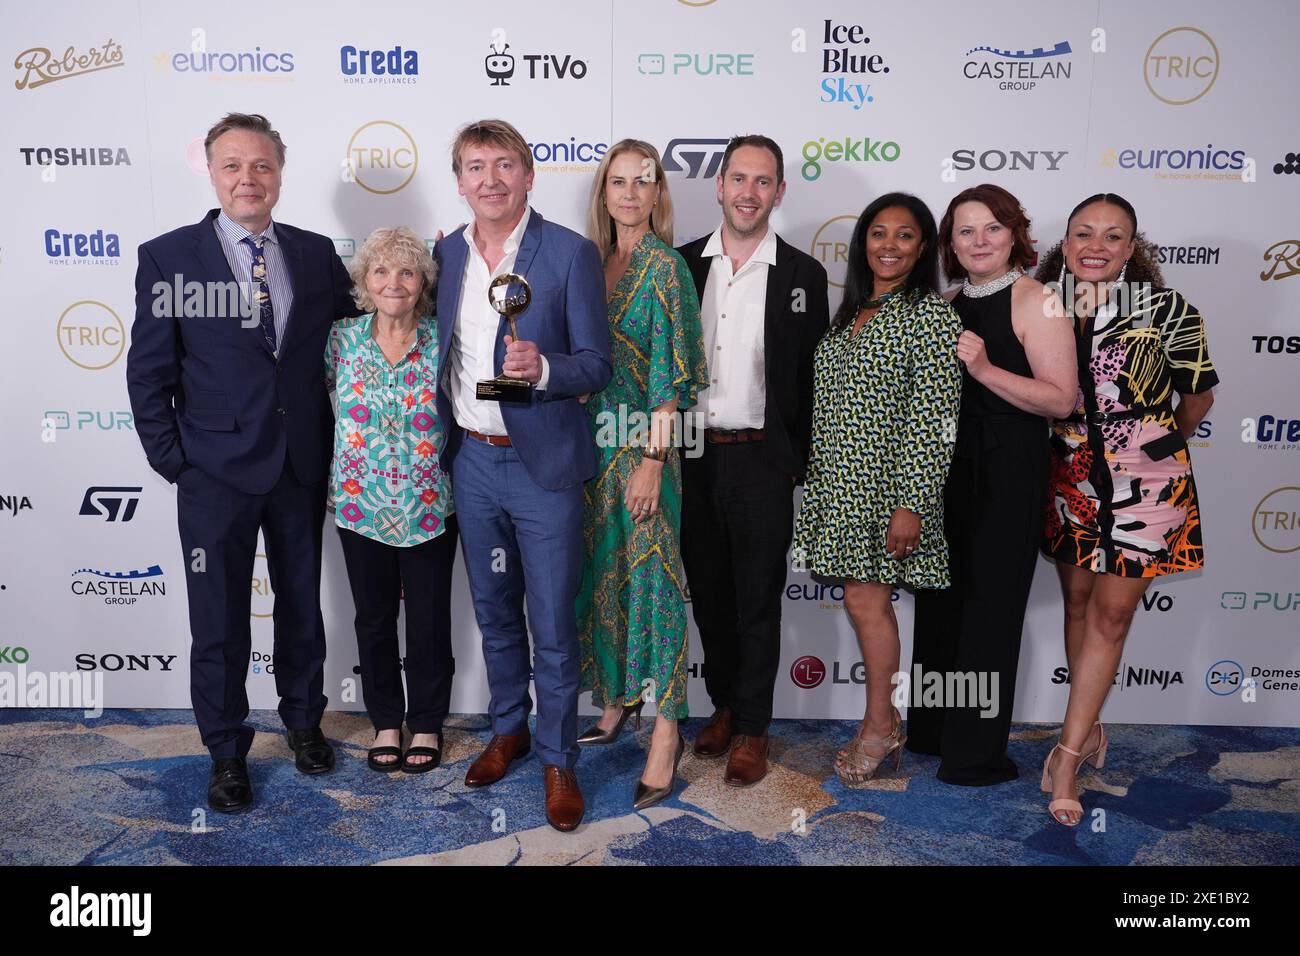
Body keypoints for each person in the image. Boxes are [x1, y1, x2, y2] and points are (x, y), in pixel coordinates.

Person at [126, 112, 358, 812]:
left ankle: (304, 724)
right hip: (214, 476)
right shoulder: (169, 257)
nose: (248, 179)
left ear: (279, 176)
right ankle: (227, 750)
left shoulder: (316, 255)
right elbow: (148, 373)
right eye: (233, 165)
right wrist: (179, 465)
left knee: (302, 611)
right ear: (212, 171)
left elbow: (364, 331)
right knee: (219, 620)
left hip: (297, 467)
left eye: (261, 166)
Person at [433, 119, 611, 832]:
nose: (490, 179)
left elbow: (597, 364)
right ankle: (507, 729)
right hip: (470, 459)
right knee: (494, 613)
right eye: (475, 167)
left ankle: (558, 756)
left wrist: (542, 368)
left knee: (553, 623)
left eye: (504, 165)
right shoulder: (444, 255)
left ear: (529, 176)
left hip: (544, 466)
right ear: (459, 181)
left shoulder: (569, 253)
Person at [1034, 193, 1217, 825]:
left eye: (1114, 237)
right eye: (1084, 233)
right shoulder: (1044, 303)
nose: (1096, 246)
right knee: (1080, 604)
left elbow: (1197, 399)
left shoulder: (1168, 310)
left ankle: (1065, 755)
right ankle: (1091, 728)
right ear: (1065, 241)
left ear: (1132, 248)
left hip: (1150, 485)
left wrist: (1149, 448)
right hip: (1071, 479)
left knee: (1111, 617)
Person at [907, 185, 1077, 786]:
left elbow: (1061, 398)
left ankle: (973, 753)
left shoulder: (1040, 300)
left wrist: (982, 369)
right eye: (965, 231)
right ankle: (930, 734)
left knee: (990, 610)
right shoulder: (947, 302)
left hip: (1007, 470)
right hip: (947, 471)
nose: (978, 241)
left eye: (991, 228)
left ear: (1014, 234)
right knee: (941, 604)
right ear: (949, 243)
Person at [792, 192, 962, 787]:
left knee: (868, 604)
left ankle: (879, 727)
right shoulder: (850, 312)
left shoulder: (931, 316)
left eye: (905, 235)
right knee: (861, 603)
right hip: (838, 486)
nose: (889, 246)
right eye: (878, 233)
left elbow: (935, 417)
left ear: (924, 247)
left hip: (888, 488)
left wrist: (911, 503)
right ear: (862, 242)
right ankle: (882, 721)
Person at [676, 134, 829, 786]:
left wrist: (793, 459)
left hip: (762, 460)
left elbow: (809, 376)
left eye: (762, 181)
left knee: (757, 600)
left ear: (779, 192)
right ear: (719, 186)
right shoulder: (681, 265)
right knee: (709, 596)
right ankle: (725, 707)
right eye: (738, 178)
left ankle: (755, 728)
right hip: (692, 455)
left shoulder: (801, 275)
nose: (748, 192)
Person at [575, 139, 709, 810]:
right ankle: (620, 701)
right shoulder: (591, 262)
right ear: (604, 193)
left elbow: (674, 383)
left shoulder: (667, 268)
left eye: (642, 182)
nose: (629, 193)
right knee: (605, 581)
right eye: (618, 182)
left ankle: (667, 731)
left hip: (643, 453)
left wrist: (654, 462)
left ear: (658, 194)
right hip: (589, 457)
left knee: (655, 585)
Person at [326, 227, 458, 774]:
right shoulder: (341, 339)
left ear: (424, 281)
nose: (394, 282)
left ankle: (425, 723)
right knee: (373, 620)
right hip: (360, 505)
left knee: (428, 619)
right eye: (381, 271)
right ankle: (386, 720)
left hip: (429, 504)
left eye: (407, 271)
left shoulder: (443, 339)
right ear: (364, 281)